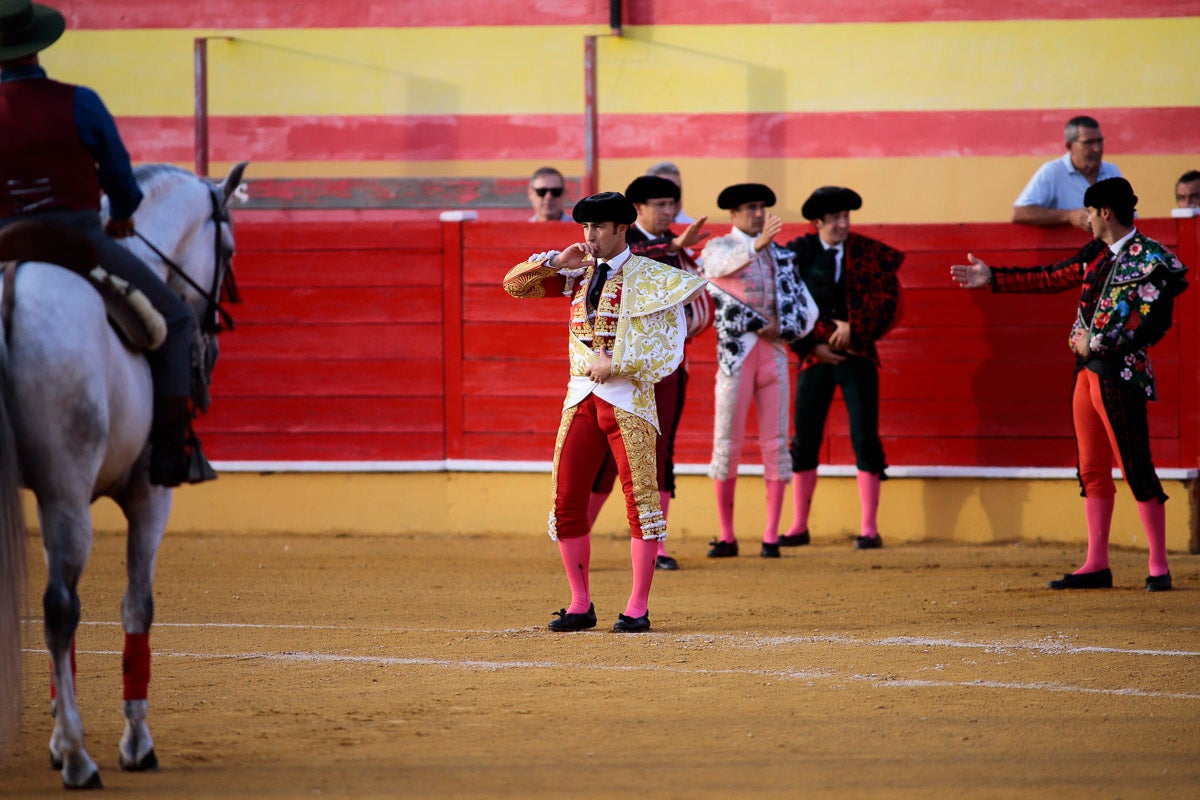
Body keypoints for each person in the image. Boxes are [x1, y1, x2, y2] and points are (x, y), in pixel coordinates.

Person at [0, 0, 211, 486]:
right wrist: (120, 216)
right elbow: (121, 177)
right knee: (176, 321)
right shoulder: (79, 102)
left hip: (3, 246)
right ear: (39, 46)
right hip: (77, 240)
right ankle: (168, 457)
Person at [951, 178, 1187, 592]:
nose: (1088, 220)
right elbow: (1050, 277)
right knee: (1092, 468)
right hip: (1086, 373)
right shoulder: (1097, 253)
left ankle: (1158, 565)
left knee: (1135, 464)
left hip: (1121, 373)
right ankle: (1097, 563)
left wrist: (1098, 341)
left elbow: (1153, 323)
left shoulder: (1153, 260)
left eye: (1091, 214)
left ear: (1105, 213)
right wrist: (993, 278)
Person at [502, 191, 706, 632]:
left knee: (642, 503)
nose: (589, 236)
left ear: (621, 229)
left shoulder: (653, 276)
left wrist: (618, 362)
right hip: (580, 398)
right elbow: (514, 285)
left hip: (630, 400)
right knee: (566, 500)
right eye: (585, 227)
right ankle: (580, 603)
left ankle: (637, 607)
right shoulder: (577, 273)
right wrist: (556, 260)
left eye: (597, 227)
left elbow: (670, 346)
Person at [585, 175, 713, 570]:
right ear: (636, 210)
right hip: (615, 369)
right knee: (605, 452)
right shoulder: (630, 244)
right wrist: (675, 246)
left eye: (672, 204)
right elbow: (639, 255)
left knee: (661, 449)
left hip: (667, 366)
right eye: (660, 204)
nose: (668, 212)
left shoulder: (677, 247)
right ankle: (579, 529)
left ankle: (655, 545)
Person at [781, 187, 904, 550]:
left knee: (864, 436)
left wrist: (855, 329)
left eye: (846, 216)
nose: (842, 223)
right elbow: (785, 303)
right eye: (834, 218)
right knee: (805, 439)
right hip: (813, 358)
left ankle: (869, 528)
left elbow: (887, 301)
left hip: (858, 356)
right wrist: (812, 346)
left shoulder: (868, 253)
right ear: (817, 222)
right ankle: (799, 526)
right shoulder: (798, 253)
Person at [700, 183, 817, 558]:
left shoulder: (780, 256)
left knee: (775, 442)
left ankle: (770, 535)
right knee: (726, 442)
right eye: (750, 207)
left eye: (762, 207)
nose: (758, 213)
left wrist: (782, 327)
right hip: (735, 355)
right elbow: (714, 269)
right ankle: (727, 534)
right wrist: (757, 246)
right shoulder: (719, 247)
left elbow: (805, 307)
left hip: (773, 354)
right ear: (733, 214)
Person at [1012, 115, 1122, 231]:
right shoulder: (1053, 172)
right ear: (1070, 146)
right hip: (1064, 247)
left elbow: (1129, 218)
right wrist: (1069, 216)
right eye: (1088, 143)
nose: (1097, 148)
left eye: (1099, 141)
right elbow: (1019, 212)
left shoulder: (1112, 171)